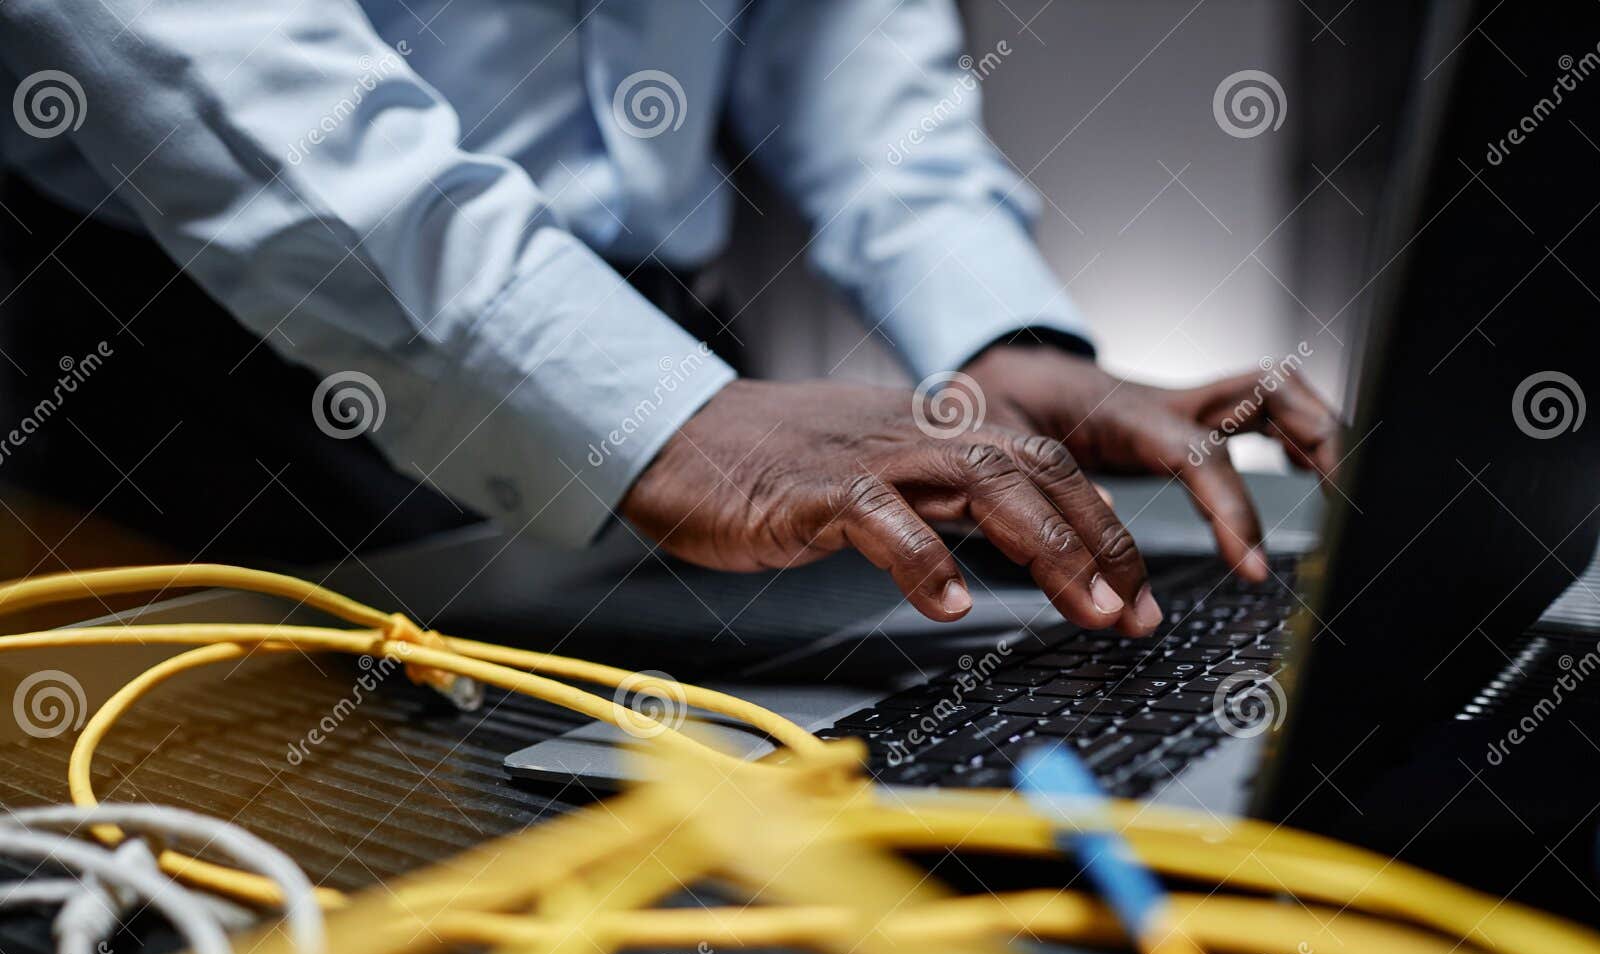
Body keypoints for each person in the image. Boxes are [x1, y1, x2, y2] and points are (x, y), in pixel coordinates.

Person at [0, 1, 1337, 637]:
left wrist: (996, 335)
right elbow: (197, 51)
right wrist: (645, 409)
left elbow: (827, 33)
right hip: (206, 360)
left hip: (667, 367)